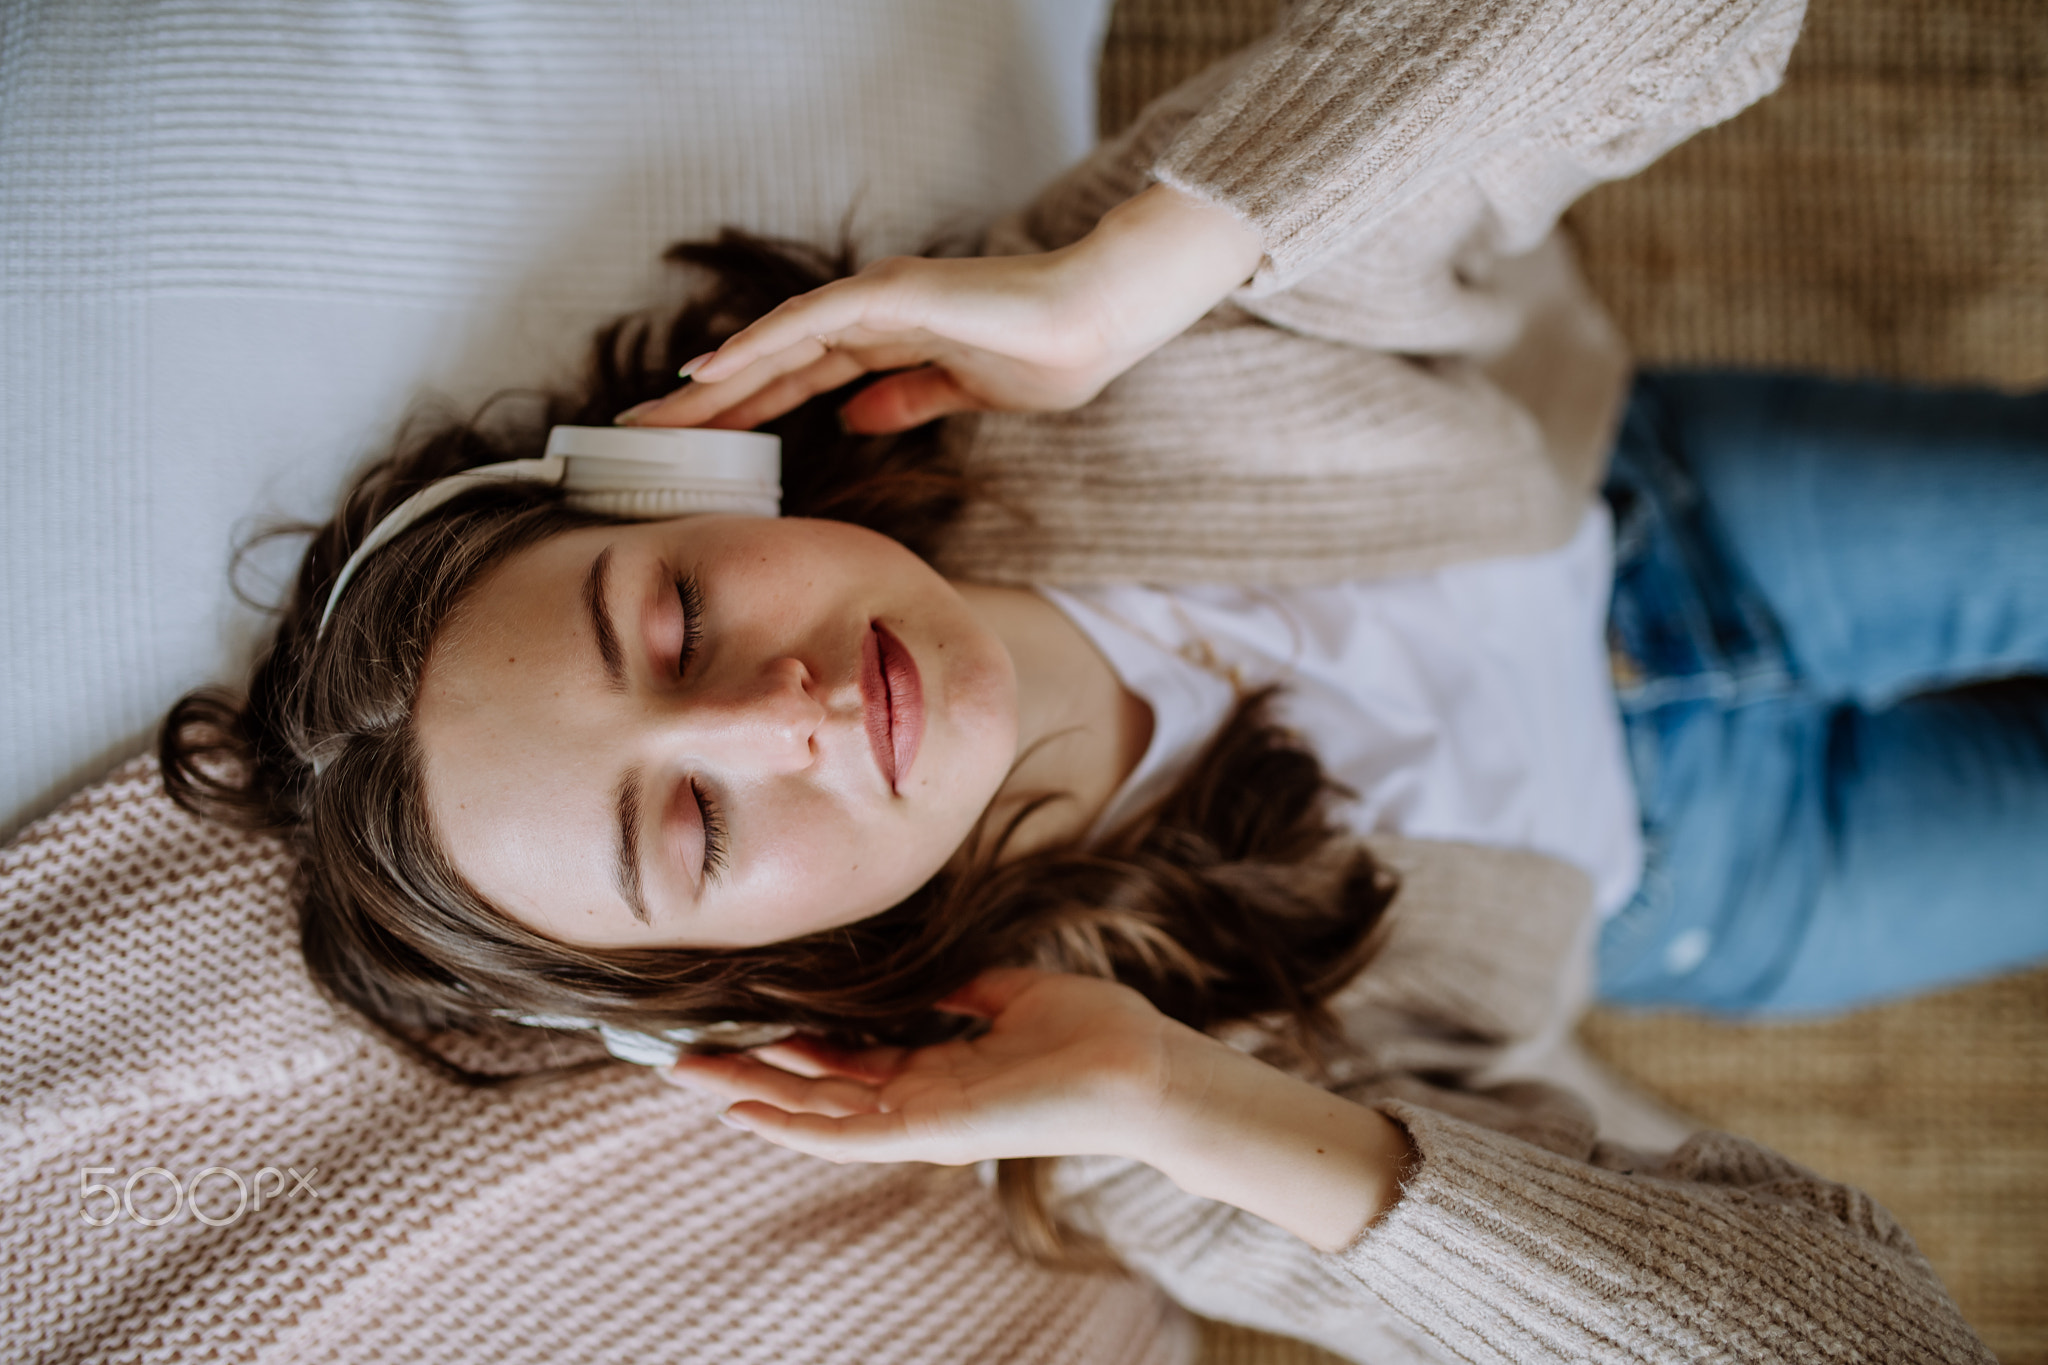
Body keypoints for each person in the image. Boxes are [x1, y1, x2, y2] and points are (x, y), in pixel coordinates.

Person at [160, 0, 2038, 1358]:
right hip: (1721, 881)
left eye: (669, 622)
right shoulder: (1124, 1107)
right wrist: (1176, 1100)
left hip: (1669, 508)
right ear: (745, 980)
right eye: (694, 829)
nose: (780, 711)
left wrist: (1129, 274)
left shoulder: (1062, 350)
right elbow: (1872, 1340)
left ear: (688, 480)